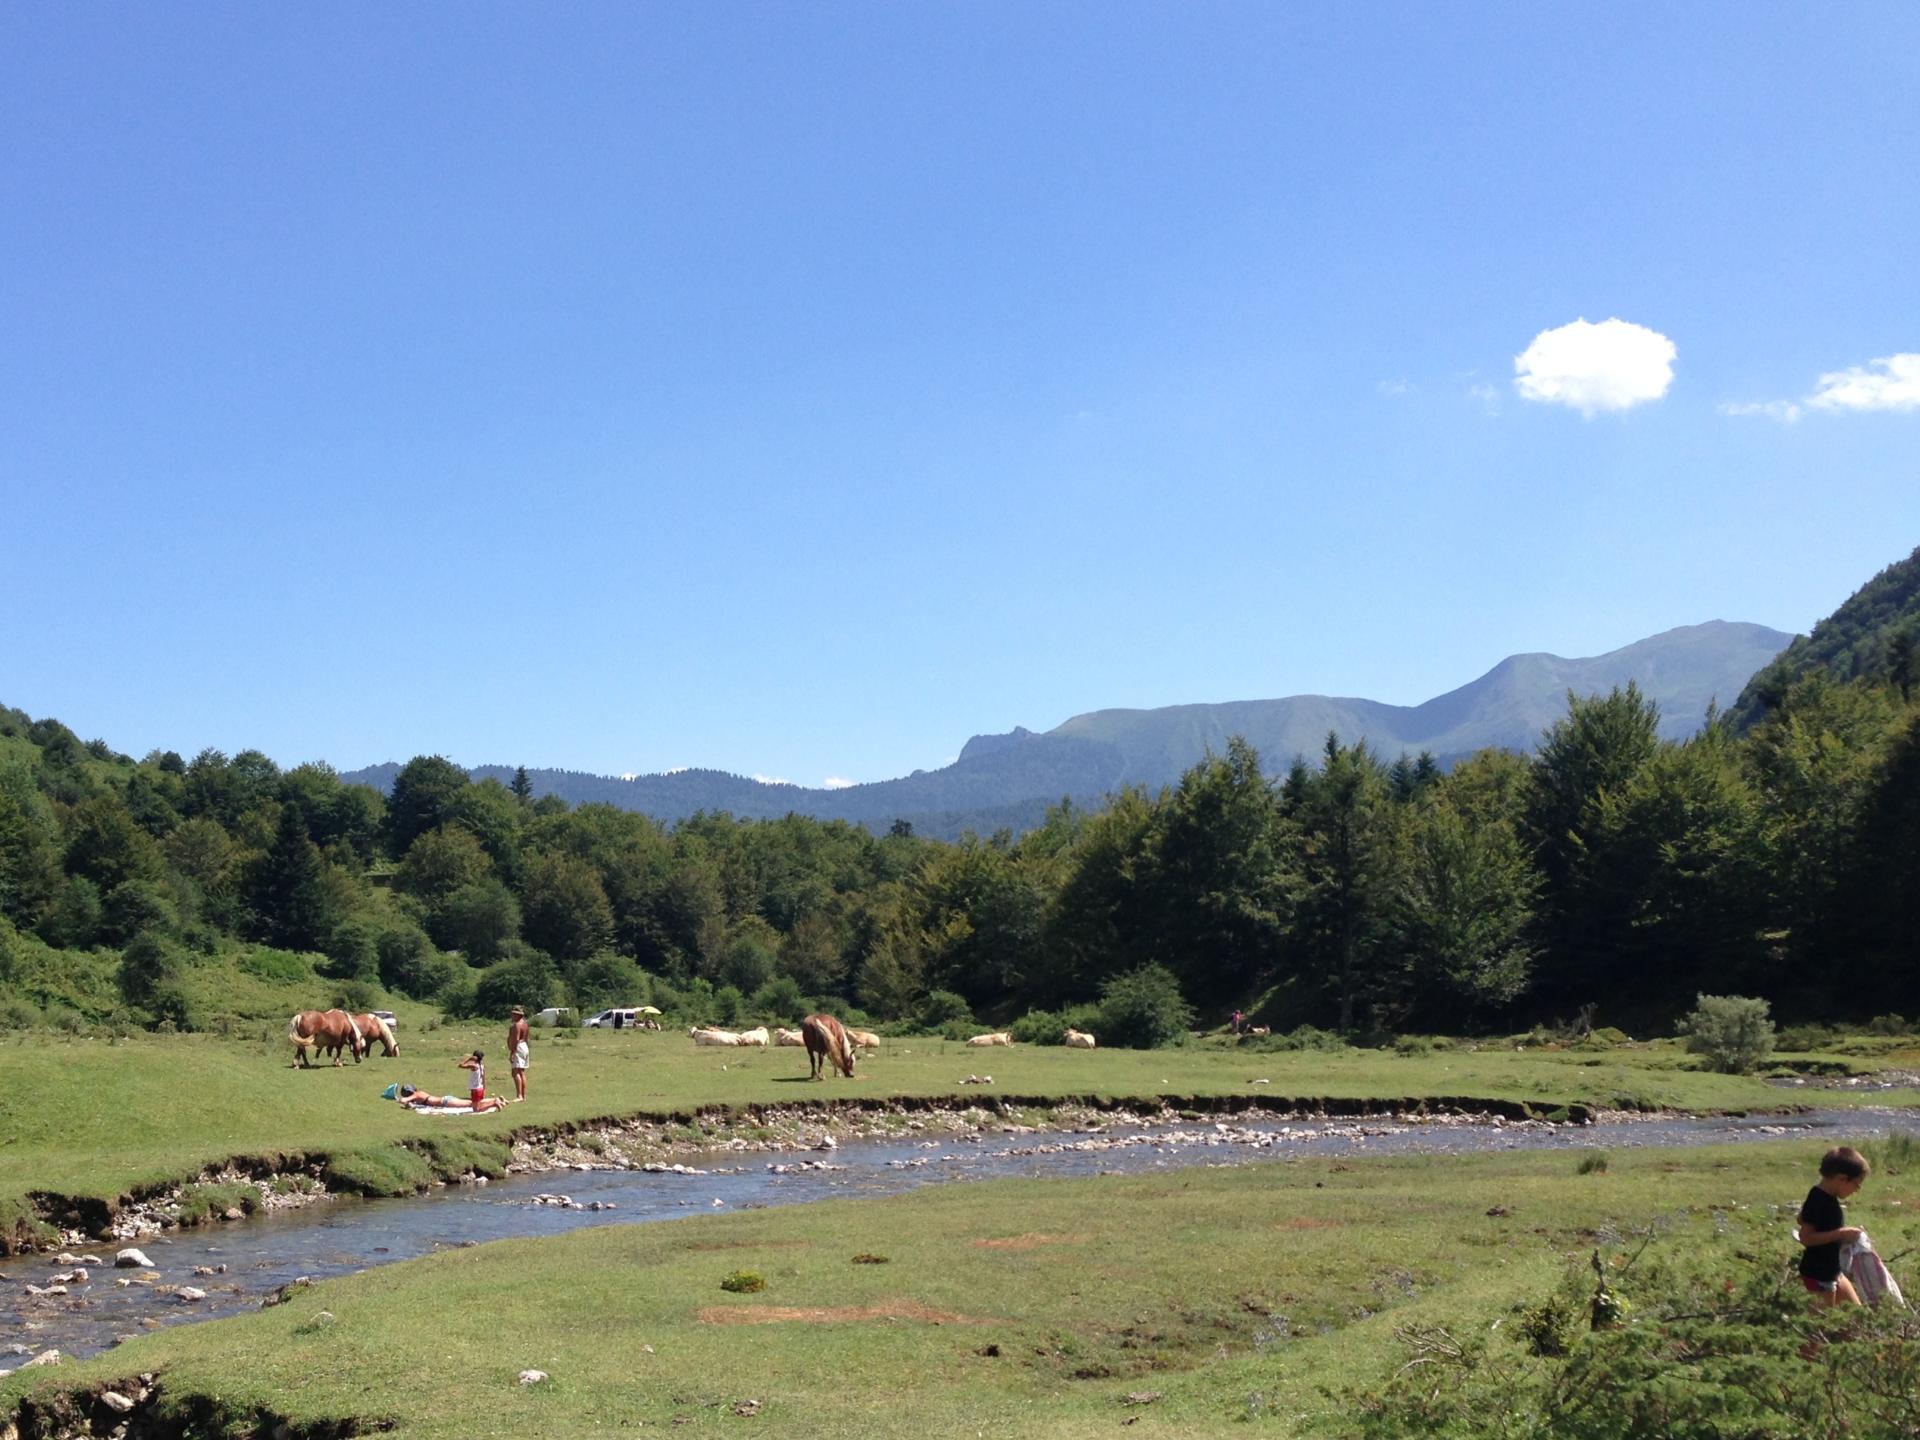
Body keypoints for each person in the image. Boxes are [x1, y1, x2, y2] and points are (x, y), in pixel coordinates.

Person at [1798, 1144, 1870, 1306]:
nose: (1857, 1190)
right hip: (1819, 1275)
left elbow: (1803, 1219)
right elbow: (1806, 1238)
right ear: (1842, 1179)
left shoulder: (1827, 1198)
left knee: (1856, 1314)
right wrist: (1841, 1233)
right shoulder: (1819, 1199)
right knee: (1824, 1318)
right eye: (1857, 1184)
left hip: (1833, 1271)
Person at [394, 1083, 510, 1114]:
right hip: (446, 1100)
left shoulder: (416, 1094)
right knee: (472, 1102)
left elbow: (404, 1101)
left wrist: (396, 1098)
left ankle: (494, 1103)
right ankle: (497, 1099)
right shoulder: (419, 1094)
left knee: (472, 1105)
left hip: (445, 1102)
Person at [508, 1006, 531, 1101]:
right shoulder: (525, 1024)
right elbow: (527, 1038)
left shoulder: (517, 1025)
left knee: (515, 1071)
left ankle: (519, 1095)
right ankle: (523, 1096)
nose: (512, 1016)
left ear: (518, 1015)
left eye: (513, 1014)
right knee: (521, 1072)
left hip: (519, 1047)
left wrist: (512, 1052)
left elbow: (516, 1039)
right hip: (524, 1046)